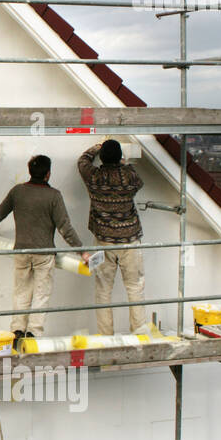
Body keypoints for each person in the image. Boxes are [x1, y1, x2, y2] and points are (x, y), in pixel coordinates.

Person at [0, 155, 87, 348]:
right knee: (41, 294)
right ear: (48, 174)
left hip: (21, 251)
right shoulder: (54, 196)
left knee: (21, 292)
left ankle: (17, 331)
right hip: (44, 254)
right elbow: (65, 228)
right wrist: (82, 252)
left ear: (30, 171)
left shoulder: (18, 192)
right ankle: (33, 335)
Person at [78, 140, 146, 335]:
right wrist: (122, 163)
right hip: (130, 239)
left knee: (103, 289)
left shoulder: (94, 177)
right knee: (135, 287)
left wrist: (95, 147)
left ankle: (106, 336)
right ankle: (139, 333)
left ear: (103, 157)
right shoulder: (129, 175)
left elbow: (82, 161)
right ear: (119, 157)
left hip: (103, 240)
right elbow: (138, 182)